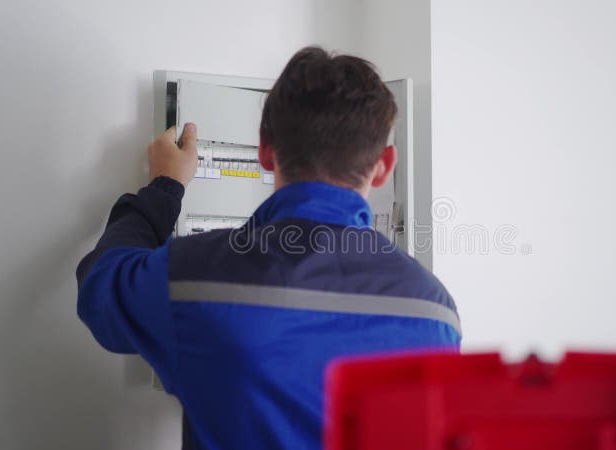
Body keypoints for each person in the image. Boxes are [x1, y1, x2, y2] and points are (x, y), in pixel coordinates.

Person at [76, 46, 460, 450]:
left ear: (264, 150)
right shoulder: (435, 312)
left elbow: (101, 290)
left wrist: (163, 190)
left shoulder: (195, 277)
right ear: (385, 166)